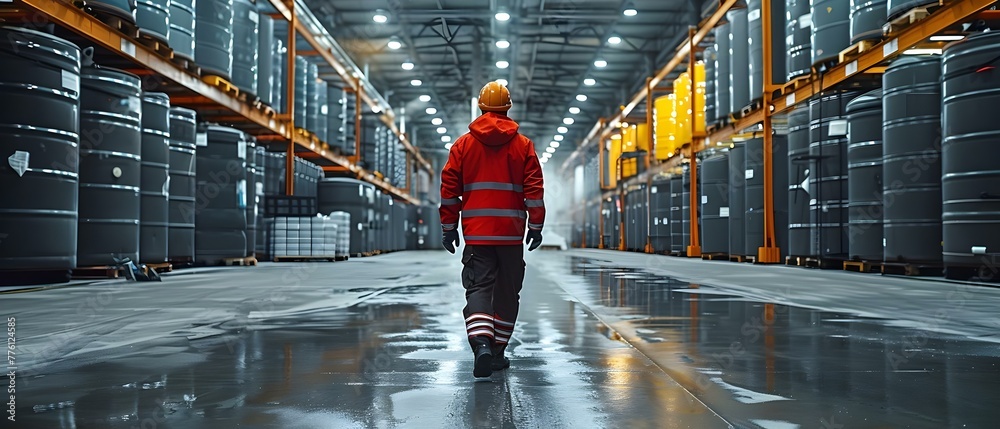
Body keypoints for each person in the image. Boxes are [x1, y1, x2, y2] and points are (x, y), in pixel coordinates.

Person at [439, 80, 546, 378]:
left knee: (479, 287)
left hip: (477, 234)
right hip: (511, 235)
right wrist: (535, 225)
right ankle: (497, 352)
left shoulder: (462, 145)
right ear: (508, 108)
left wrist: (449, 227)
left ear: (481, 107)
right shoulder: (523, 145)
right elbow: (534, 191)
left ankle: (481, 345)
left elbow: (449, 191)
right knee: (508, 292)